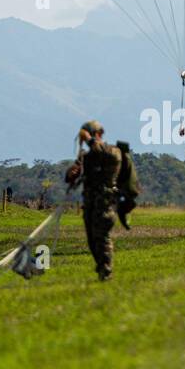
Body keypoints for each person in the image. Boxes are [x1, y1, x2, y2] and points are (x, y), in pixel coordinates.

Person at [65, 120, 122, 281]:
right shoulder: (87, 157)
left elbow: (104, 153)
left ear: (98, 135)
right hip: (89, 204)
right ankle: (101, 269)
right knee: (92, 240)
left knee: (101, 236)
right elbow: (71, 177)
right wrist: (72, 173)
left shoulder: (113, 151)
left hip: (105, 203)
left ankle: (106, 271)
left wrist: (90, 139)